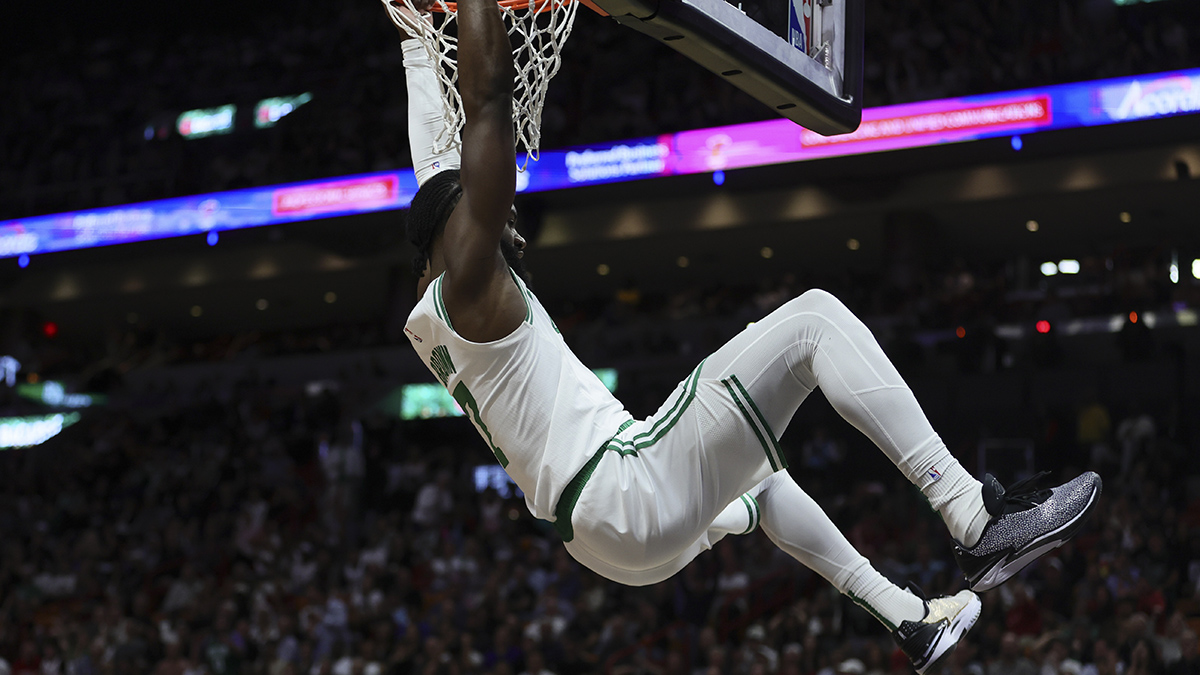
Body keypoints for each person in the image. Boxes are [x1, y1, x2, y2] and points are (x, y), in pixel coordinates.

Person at [388, 1, 1102, 671]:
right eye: (491, 217)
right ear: (459, 235)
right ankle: (973, 517)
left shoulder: (439, 305)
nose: (511, 225)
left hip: (602, 539)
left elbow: (436, 165)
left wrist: (421, 41)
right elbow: (483, 107)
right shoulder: (474, 282)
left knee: (760, 480)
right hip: (621, 484)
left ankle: (911, 619)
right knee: (814, 320)